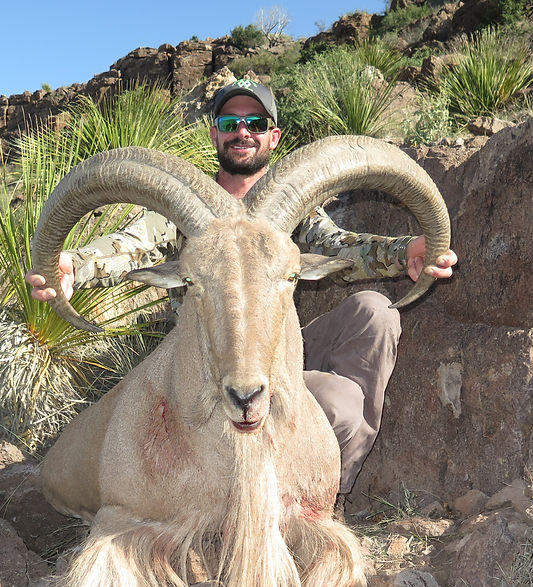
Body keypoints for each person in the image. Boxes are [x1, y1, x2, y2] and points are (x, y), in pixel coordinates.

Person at [27, 80, 457, 501]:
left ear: (274, 136)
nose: (243, 132)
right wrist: (74, 265)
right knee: (321, 400)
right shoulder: (186, 210)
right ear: (215, 134)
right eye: (230, 123)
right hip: (207, 363)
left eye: (255, 122)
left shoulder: (290, 208)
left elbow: (341, 247)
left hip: (279, 350)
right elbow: (129, 246)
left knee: (374, 313)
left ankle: (323, 494)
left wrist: (407, 252)